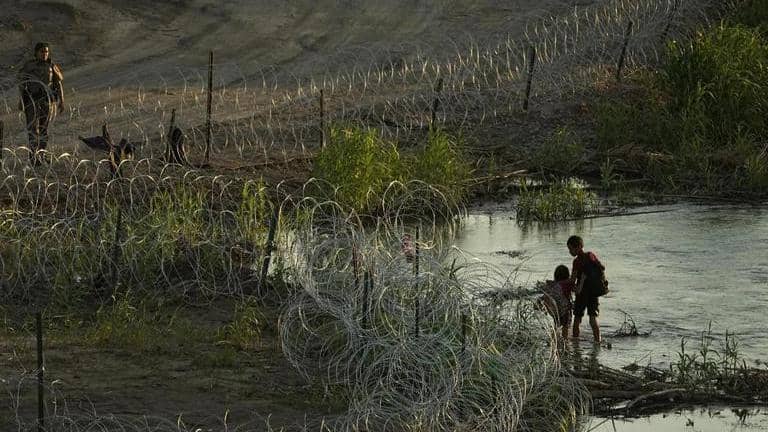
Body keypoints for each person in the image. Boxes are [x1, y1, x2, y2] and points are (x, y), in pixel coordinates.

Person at [17, 42, 64, 164]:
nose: (44, 54)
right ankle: (33, 156)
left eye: (46, 52)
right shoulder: (29, 66)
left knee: (44, 129)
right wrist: (21, 100)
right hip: (32, 101)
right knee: (33, 130)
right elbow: (22, 83)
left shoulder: (51, 66)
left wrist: (62, 101)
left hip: (47, 102)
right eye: (42, 51)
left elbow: (58, 83)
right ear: (36, 53)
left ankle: (42, 154)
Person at [567, 235, 605, 343]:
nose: (570, 252)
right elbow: (602, 268)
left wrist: (563, 283)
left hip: (582, 293)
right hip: (593, 292)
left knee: (577, 319)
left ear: (579, 247)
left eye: (571, 249)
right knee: (593, 318)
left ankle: (575, 343)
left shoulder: (577, 261)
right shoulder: (591, 255)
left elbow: (573, 279)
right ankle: (598, 341)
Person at [538, 264, 575, 340]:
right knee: (565, 326)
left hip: (556, 310)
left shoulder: (552, 285)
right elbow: (576, 289)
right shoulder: (566, 284)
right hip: (565, 310)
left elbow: (545, 295)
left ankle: (554, 338)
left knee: (556, 325)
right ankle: (565, 341)